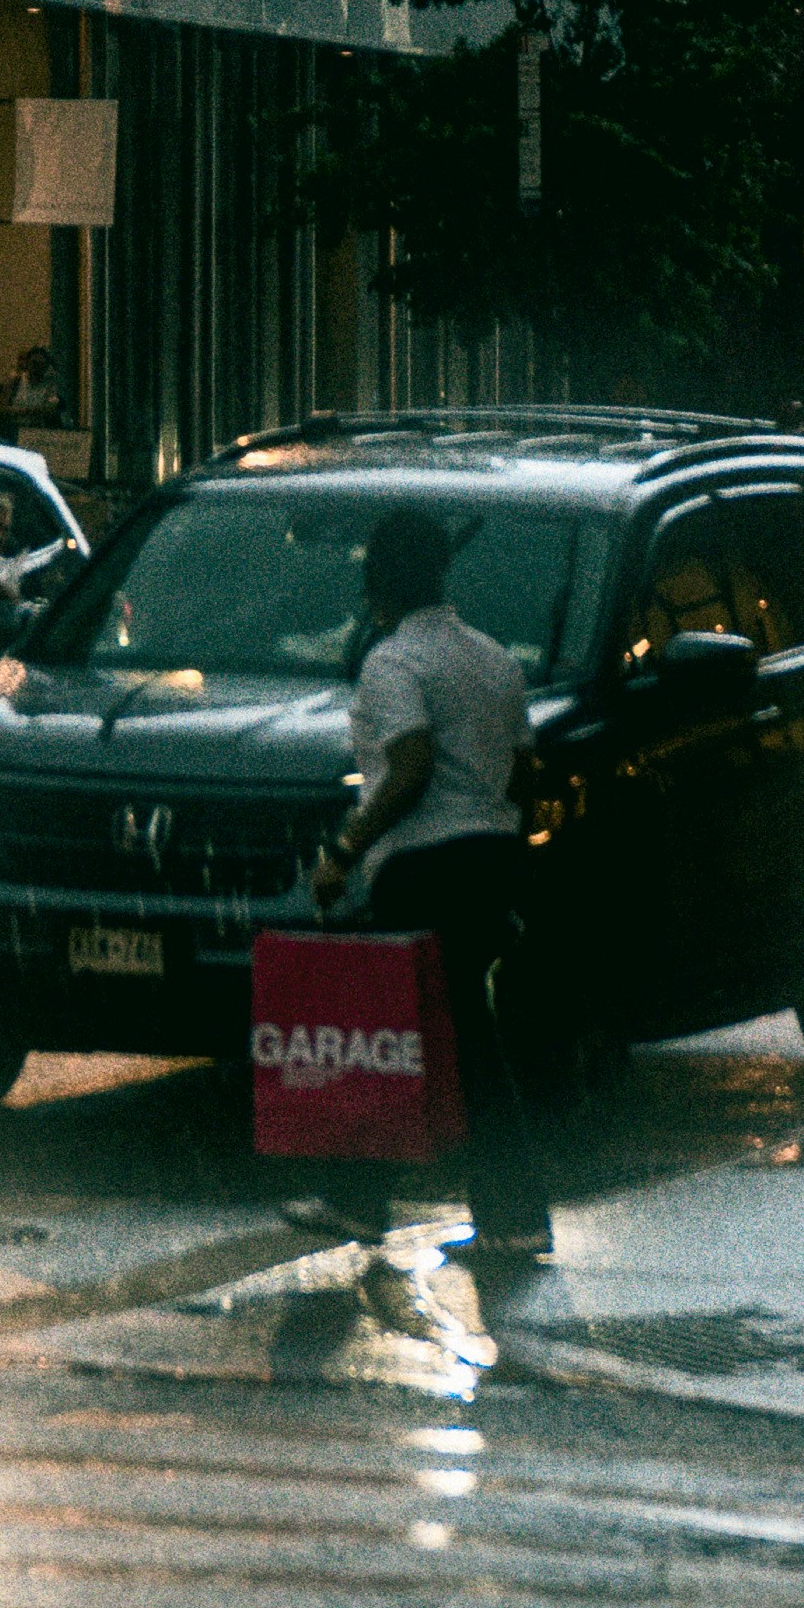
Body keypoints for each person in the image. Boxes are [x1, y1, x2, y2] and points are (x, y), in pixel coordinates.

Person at [301, 500, 550, 1261]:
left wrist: (343, 850)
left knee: (392, 1039)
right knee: (463, 1043)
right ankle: (507, 1213)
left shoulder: (392, 662)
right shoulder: (493, 658)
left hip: (422, 868)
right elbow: (527, 768)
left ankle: (364, 1203)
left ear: (377, 586)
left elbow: (406, 768)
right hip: (489, 859)